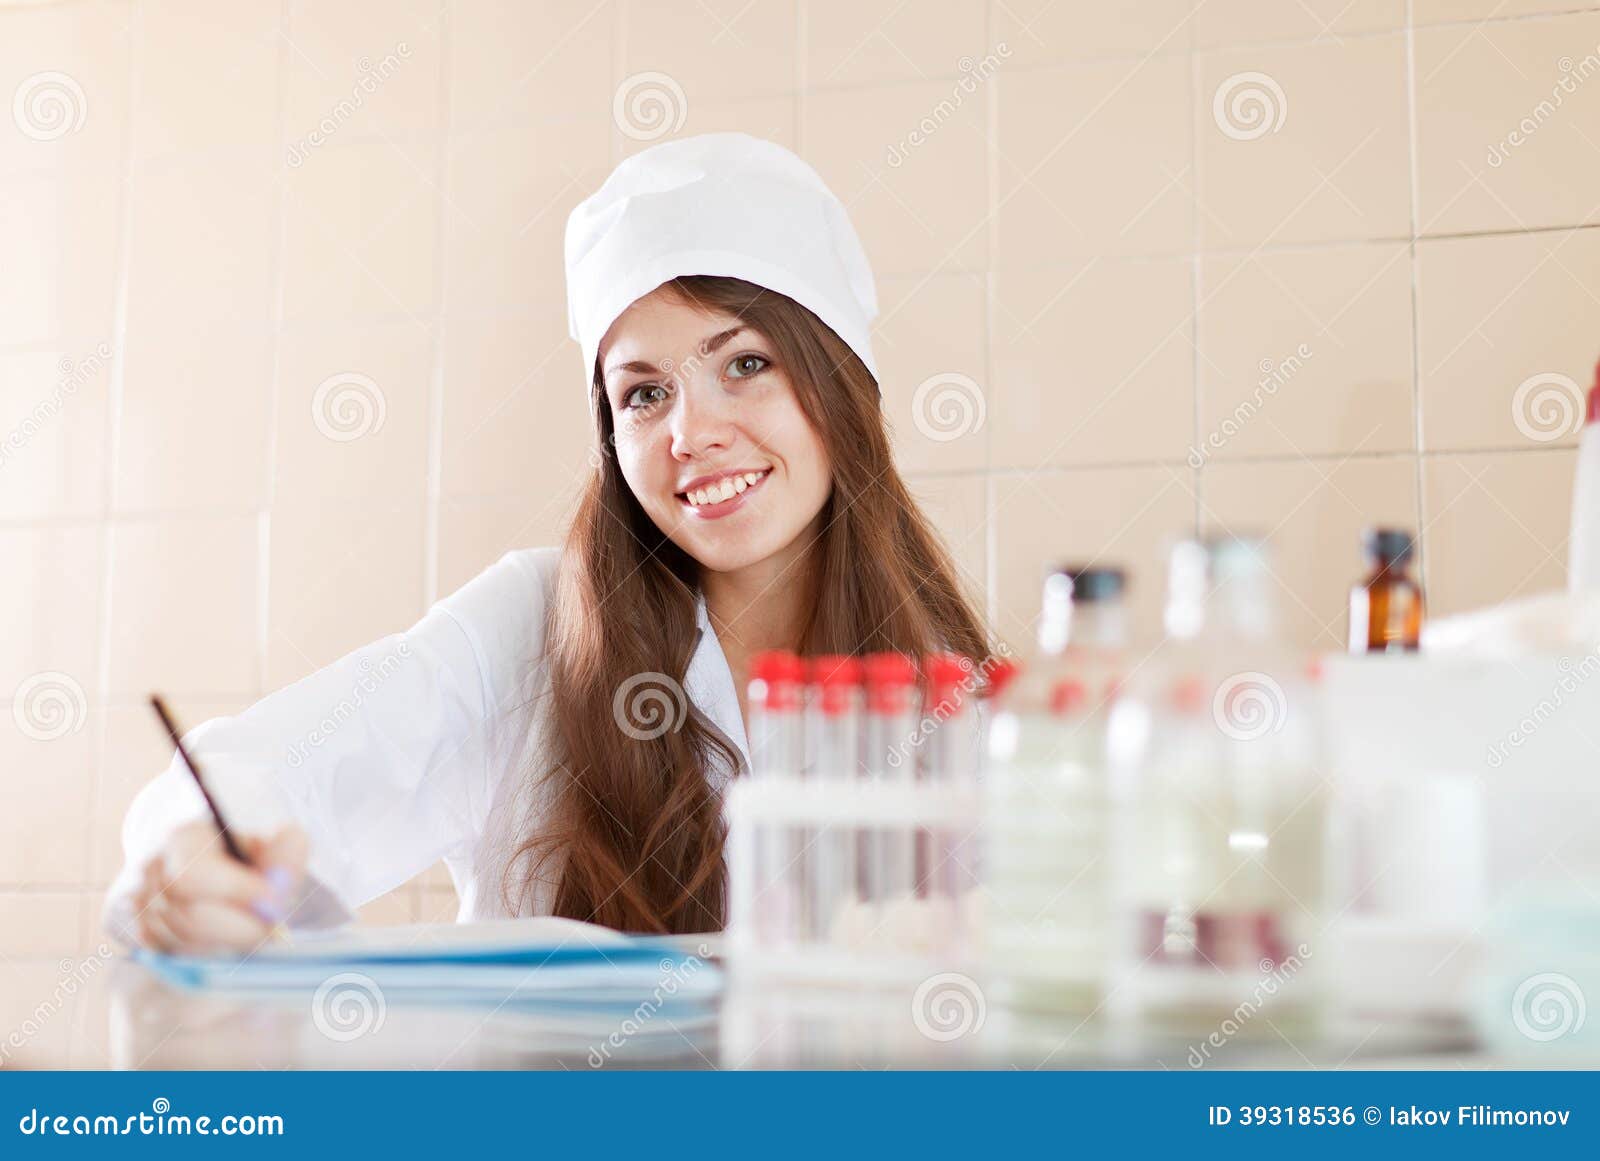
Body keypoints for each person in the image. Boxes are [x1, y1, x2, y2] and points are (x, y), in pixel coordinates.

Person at [106, 133, 990, 952]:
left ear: (841, 383)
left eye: (745, 363)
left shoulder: (965, 707)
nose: (692, 432)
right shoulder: (536, 628)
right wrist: (195, 852)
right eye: (644, 393)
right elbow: (270, 770)